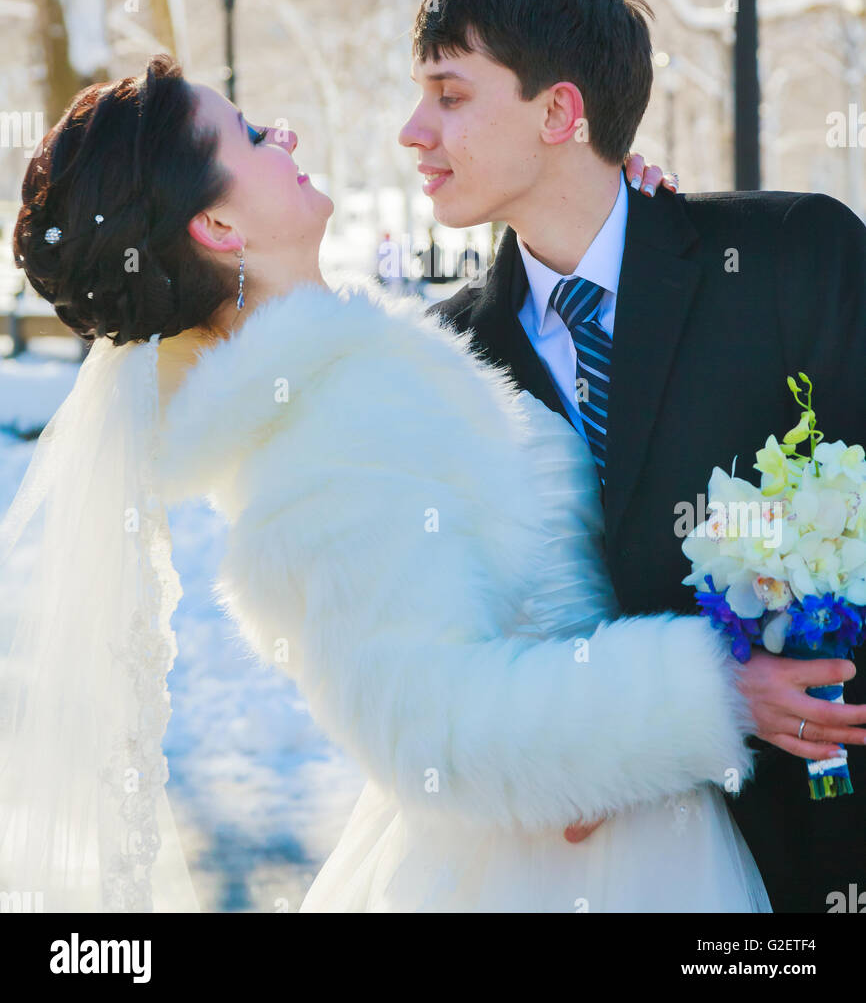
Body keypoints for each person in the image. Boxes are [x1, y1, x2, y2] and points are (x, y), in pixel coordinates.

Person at [0, 54, 771, 913]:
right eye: (252, 135)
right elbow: (440, 731)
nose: (282, 132)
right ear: (217, 226)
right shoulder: (314, 455)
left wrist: (610, 221)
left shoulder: (360, 373)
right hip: (560, 873)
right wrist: (718, 687)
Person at [408, 0, 866, 914]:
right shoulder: (439, 360)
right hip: (577, 858)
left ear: (559, 113)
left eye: (448, 94)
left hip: (818, 837)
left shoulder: (794, 255)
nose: (413, 131)